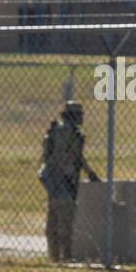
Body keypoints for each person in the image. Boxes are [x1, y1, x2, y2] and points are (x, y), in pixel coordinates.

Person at [38, 100, 100, 262]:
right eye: (79, 115)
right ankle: (65, 257)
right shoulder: (68, 132)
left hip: (54, 179)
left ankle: (55, 256)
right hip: (63, 179)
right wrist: (84, 173)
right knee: (64, 218)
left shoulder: (60, 130)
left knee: (54, 215)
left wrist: (88, 173)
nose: (82, 118)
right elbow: (69, 157)